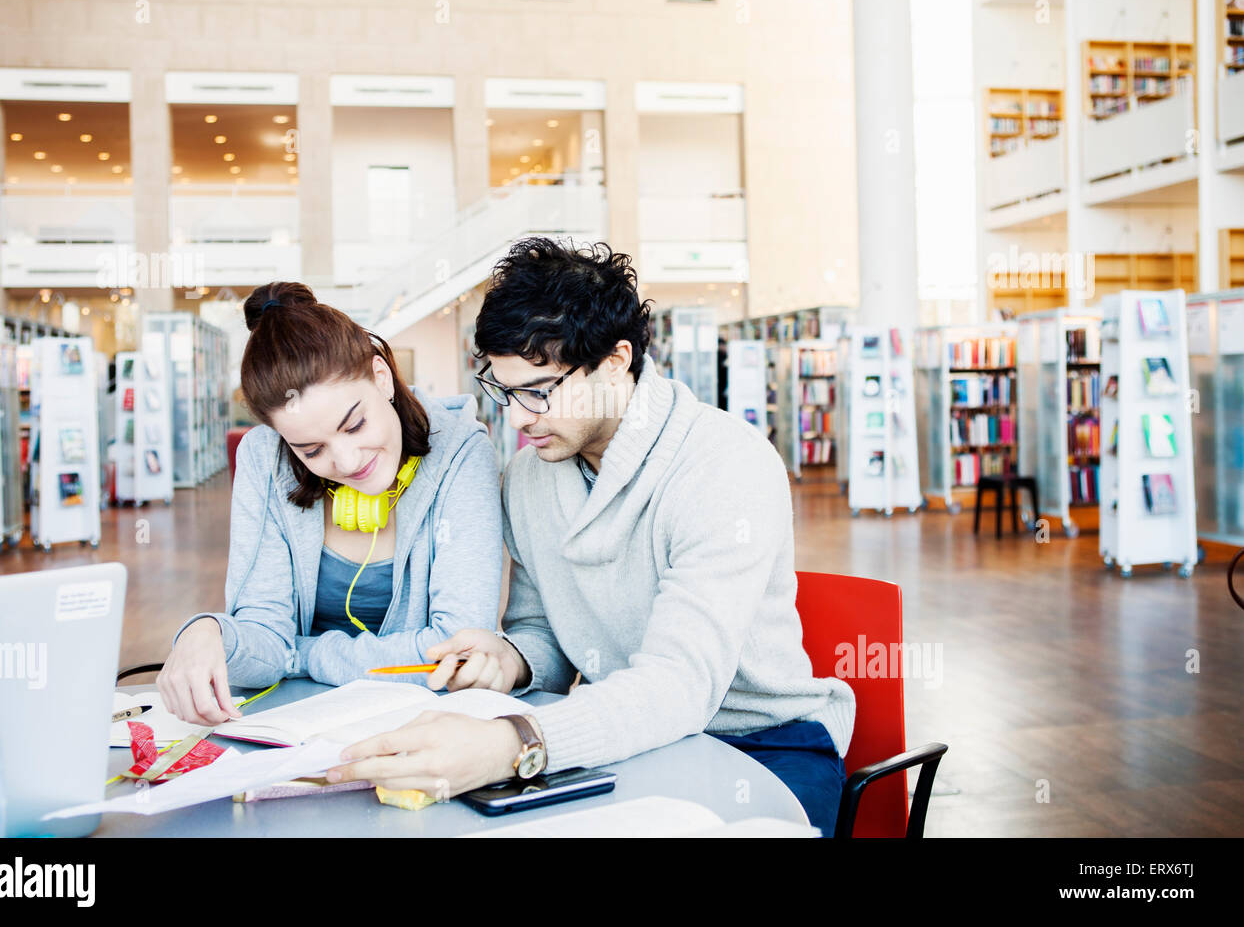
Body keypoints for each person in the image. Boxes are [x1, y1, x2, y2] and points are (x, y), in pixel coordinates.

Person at [324, 239, 855, 833]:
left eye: (540, 390)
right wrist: (510, 660)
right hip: (627, 733)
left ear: (614, 361)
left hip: (763, 744)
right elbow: (541, 629)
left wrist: (512, 743)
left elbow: (681, 684)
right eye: (504, 392)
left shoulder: (724, 465)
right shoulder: (530, 474)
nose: (519, 419)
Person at [157, 282, 503, 726]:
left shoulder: (461, 451)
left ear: (381, 378)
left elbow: (456, 647)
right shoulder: (264, 457)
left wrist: (300, 654)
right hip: (295, 723)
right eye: (310, 450)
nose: (346, 460)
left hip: (427, 723)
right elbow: (264, 636)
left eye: (355, 424)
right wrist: (210, 632)